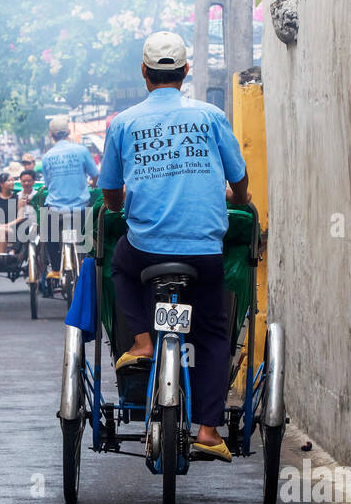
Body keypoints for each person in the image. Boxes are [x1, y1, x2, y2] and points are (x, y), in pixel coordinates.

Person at [99, 31, 250, 463]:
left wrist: (119, 204)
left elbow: (111, 192)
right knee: (213, 332)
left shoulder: (123, 123)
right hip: (204, 254)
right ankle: (207, 430)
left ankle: (144, 341)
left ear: (145, 73)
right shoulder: (210, 116)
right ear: (186, 72)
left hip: (146, 249)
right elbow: (239, 182)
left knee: (121, 267)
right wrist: (239, 201)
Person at [40, 114, 99, 280]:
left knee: (47, 233)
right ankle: (87, 263)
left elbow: (48, 183)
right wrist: (93, 184)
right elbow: (95, 176)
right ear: (68, 132)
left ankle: (57, 269)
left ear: (51, 135)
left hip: (55, 210)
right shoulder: (81, 151)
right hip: (81, 209)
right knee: (91, 237)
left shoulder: (47, 157)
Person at [0, 173, 24, 254]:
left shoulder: (18, 198)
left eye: (13, 180)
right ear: (1, 184)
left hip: (13, 229)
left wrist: (6, 225)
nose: (12, 182)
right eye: (9, 180)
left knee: (1, 230)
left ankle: (2, 257)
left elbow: (20, 217)